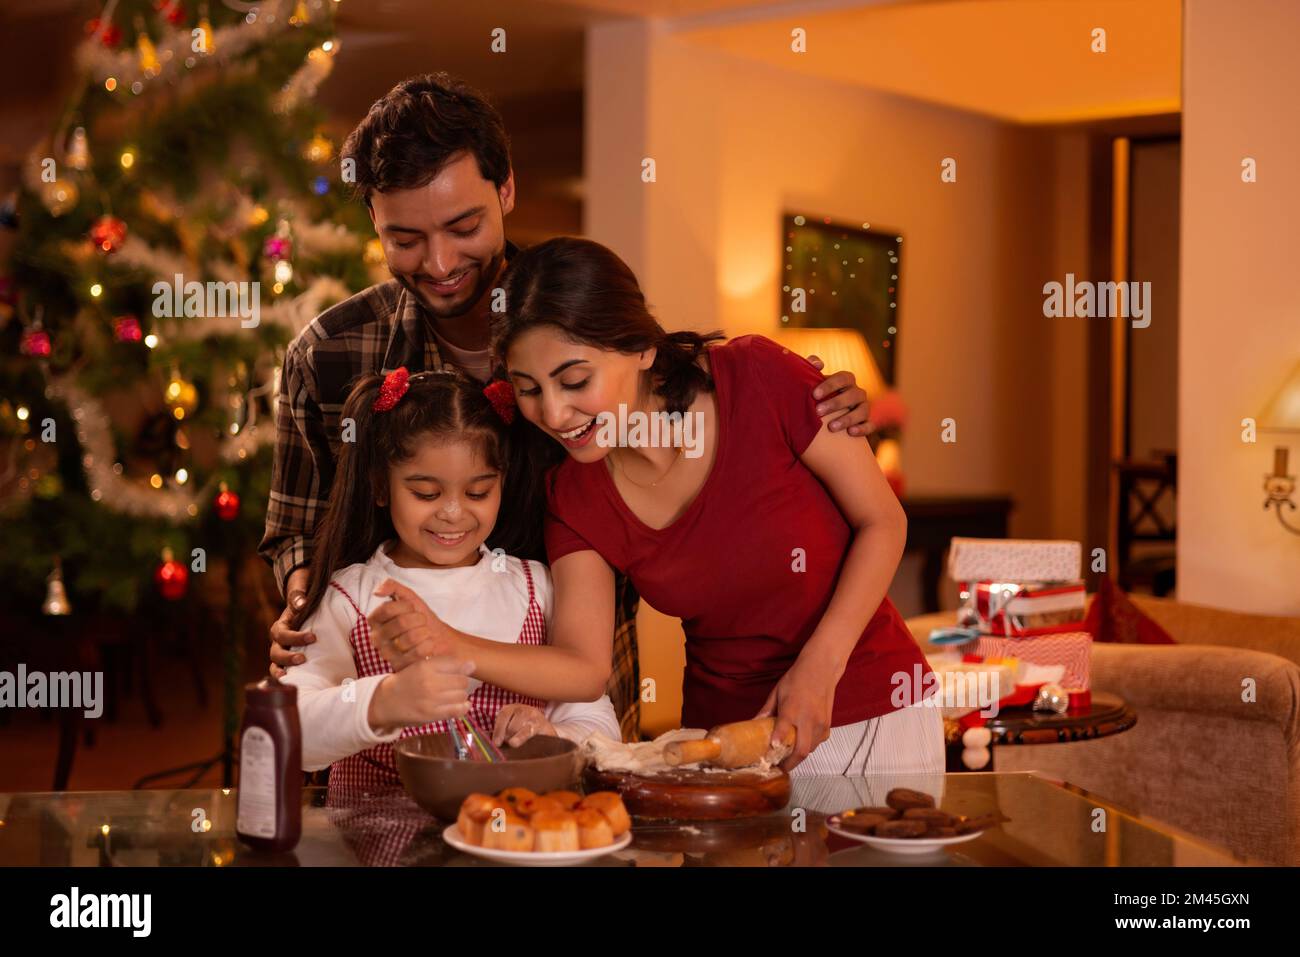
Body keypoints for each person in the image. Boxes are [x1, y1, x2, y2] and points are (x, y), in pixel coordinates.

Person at [261, 73, 877, 740]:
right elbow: (295, 529)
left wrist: (815, 402)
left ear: (507, 191)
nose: (438, 262)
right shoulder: (327, 353)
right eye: (405, 239)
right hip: (385, 711)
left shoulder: (581, 325)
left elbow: (679, 382)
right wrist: (310, 615)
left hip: (571, 710)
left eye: (463, 226)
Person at [371, 238, 943, 776]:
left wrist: (820, 667)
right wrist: (448, 643)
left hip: (872, 709)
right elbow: (583, 664)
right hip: (720, 744)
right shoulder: (573, 495)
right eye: (529, 388)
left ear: (642, 346)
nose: (553, 412)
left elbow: (883, 520)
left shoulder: (759, 378)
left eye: (574, 380)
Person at [279, 367, 618, 794]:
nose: (454, 513)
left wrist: (555, 733)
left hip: (505, 841)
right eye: (426, 494)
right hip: (382, 849)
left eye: (478, 493)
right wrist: (381, 703)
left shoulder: (535, 587)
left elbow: (600, 724)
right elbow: (290, 731)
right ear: (381, 486)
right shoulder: (349, 596)